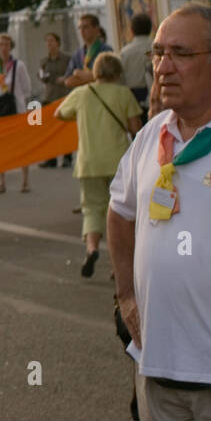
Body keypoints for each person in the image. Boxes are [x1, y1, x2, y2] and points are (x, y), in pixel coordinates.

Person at [108, 4, 211, 420]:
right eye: (158, 53)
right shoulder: (152, 134)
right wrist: (126, 294)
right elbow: (119, 212)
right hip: (157, 365)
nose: (163, 67)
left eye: (180, 54)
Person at [56, 53, 141, 278]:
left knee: (92, 209)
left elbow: (59, 113)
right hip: (118, 162)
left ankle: (92, 249)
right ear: (118, 72)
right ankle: (118, 264)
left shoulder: (81, 94)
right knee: (121, 212)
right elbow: (136, 128)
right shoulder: (124, 94)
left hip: (88, 162)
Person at [0, 33, 32, 194]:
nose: (4, 48)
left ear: (11, 46)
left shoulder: (18, 65)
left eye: (6, 44)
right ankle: (2, 181)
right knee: (0, 147)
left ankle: (25, 180)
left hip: (16, 109)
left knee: (21, 145)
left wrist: (16, 96)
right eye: (1, 45)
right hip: (0, 110)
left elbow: (27, 88)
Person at [38, 32, 74, 168]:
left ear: (58, 43)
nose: (49, 44)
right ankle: (51, 158)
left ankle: (67, 157)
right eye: (47, 41)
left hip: (63, 96)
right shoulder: (44, 61)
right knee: (49, 130)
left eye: (52, 41)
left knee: (65, 129)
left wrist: (64, 78)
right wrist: (42, 76)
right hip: (49, 97)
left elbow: (71, 73)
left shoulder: (66, 59)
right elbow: (41, 75)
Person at [119, 12, 154, 116]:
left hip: (131, 96)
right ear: (150, 28)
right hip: (154, 95)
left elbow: (120, 77)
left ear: (132, 30)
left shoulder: (125, 52)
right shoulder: (156, 47)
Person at [63, 13, 109, 89]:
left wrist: (79, 74)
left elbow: (107, 77)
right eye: (80, 28)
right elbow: (68, 81)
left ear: (96, 28)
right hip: (83, 96)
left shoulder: (106, 51)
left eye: (85, 27)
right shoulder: (77, 54)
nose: (82, 31)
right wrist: (91, 77)